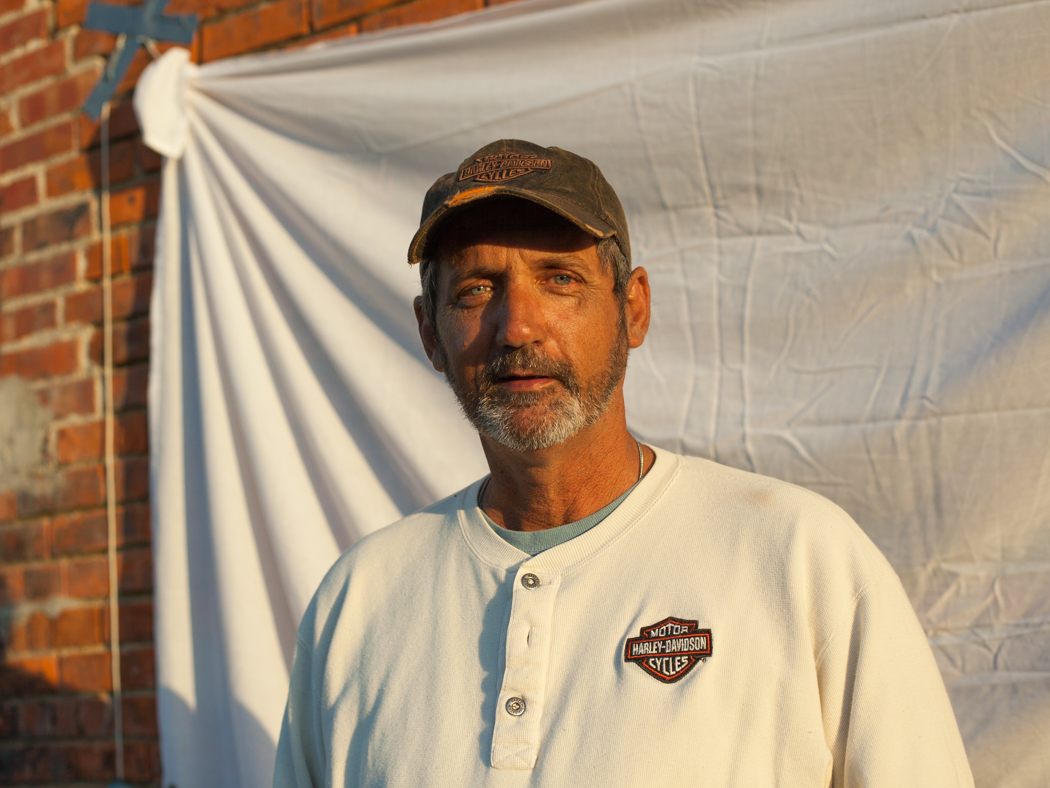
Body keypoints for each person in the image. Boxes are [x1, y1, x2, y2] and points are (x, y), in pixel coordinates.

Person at [274, 140, 974, 786]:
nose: (516, 327)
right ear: (430, 332)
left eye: (559, 279)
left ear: (632, 309)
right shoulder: (357, 605)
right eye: (476, 290)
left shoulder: (798, 559)